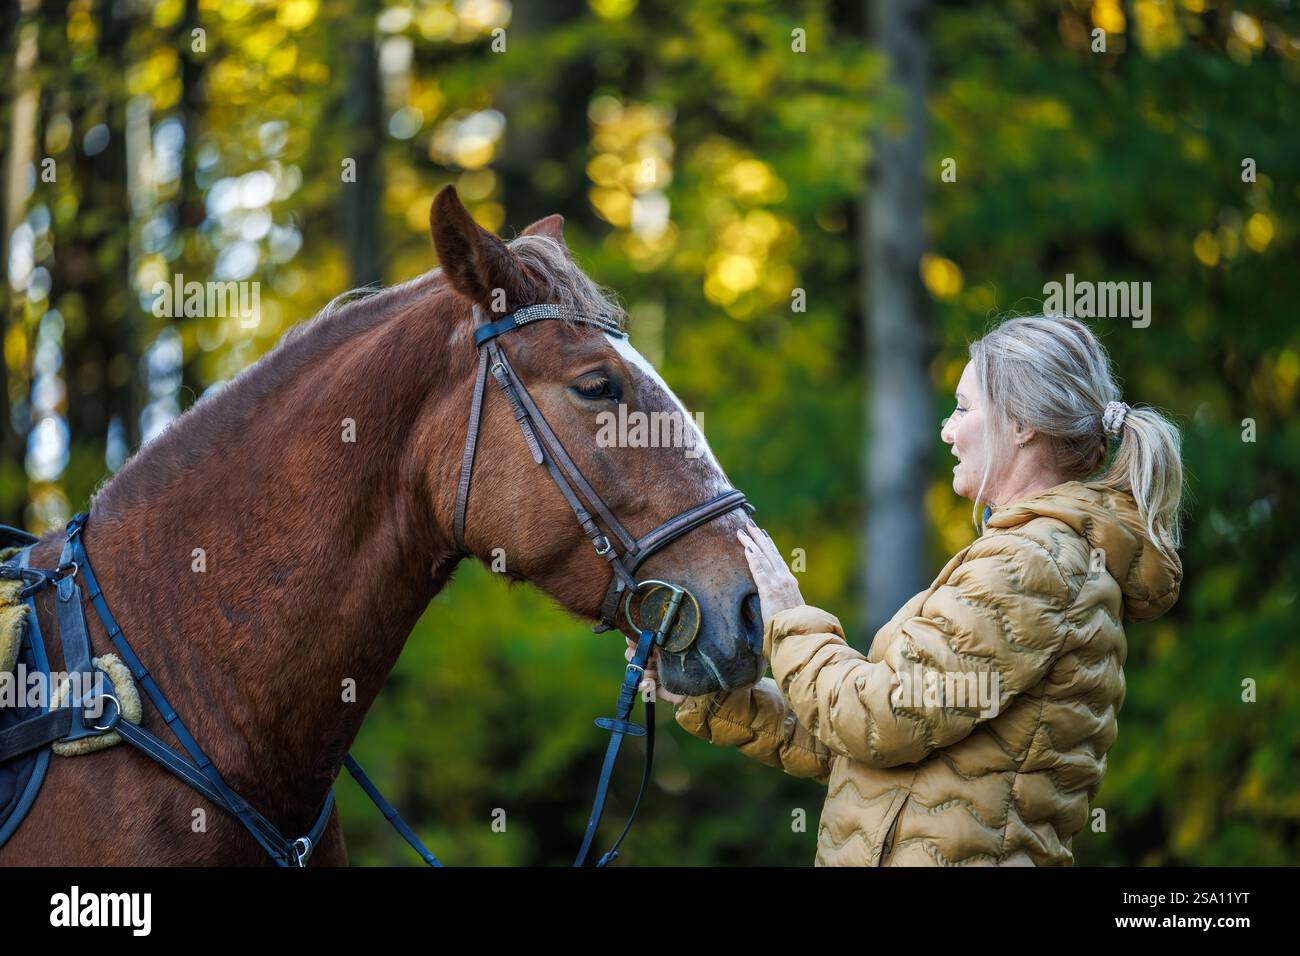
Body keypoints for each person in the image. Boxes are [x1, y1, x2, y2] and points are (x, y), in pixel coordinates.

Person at [630, 315, 1183, 866]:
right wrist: (705, 694)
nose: (948, 429)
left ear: (1022, 425)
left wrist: (789, 620)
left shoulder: (1032, 565)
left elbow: (880, 721)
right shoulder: (1035, 559)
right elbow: (860, 748)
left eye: (965, 408)